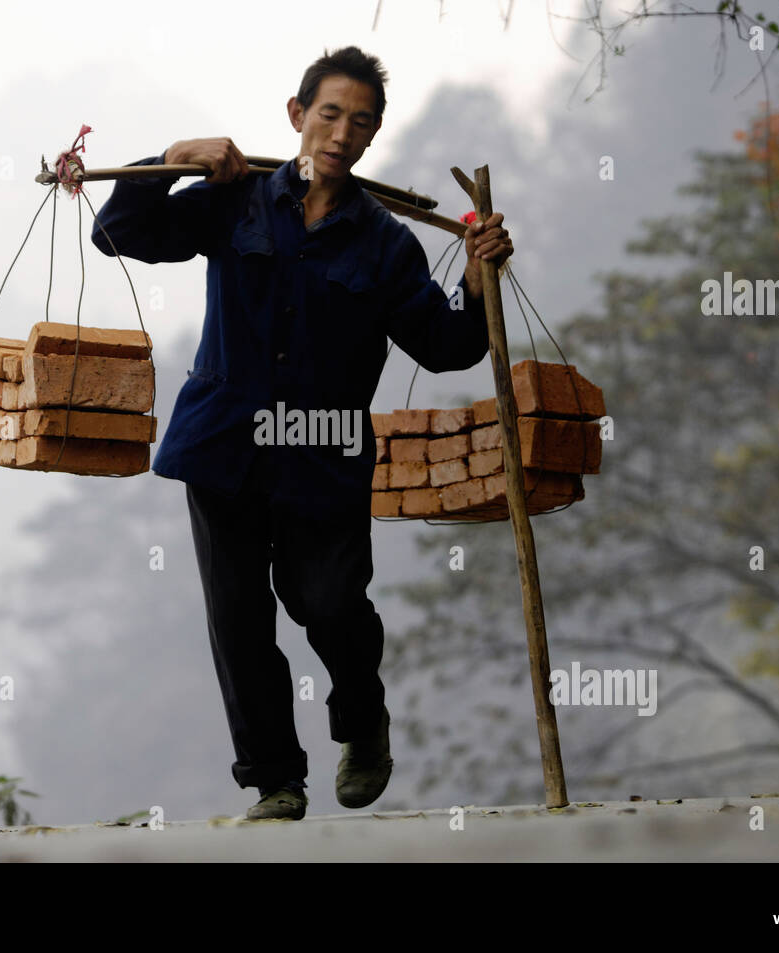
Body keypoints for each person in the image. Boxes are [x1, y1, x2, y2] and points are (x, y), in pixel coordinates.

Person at [91, 45, 514, 820]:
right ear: (297, 116)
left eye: (361, 121)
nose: (342, 133)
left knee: (330, 604)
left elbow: (448, 346)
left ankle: (364, 720)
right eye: (329, 114)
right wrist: (175, 158)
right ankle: (276, 779)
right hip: (222, 448)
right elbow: (119, 234)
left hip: (324, 460)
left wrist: (479, 278)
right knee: (241, 619)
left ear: (373, 134)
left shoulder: (387, 244)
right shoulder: (236, 199)